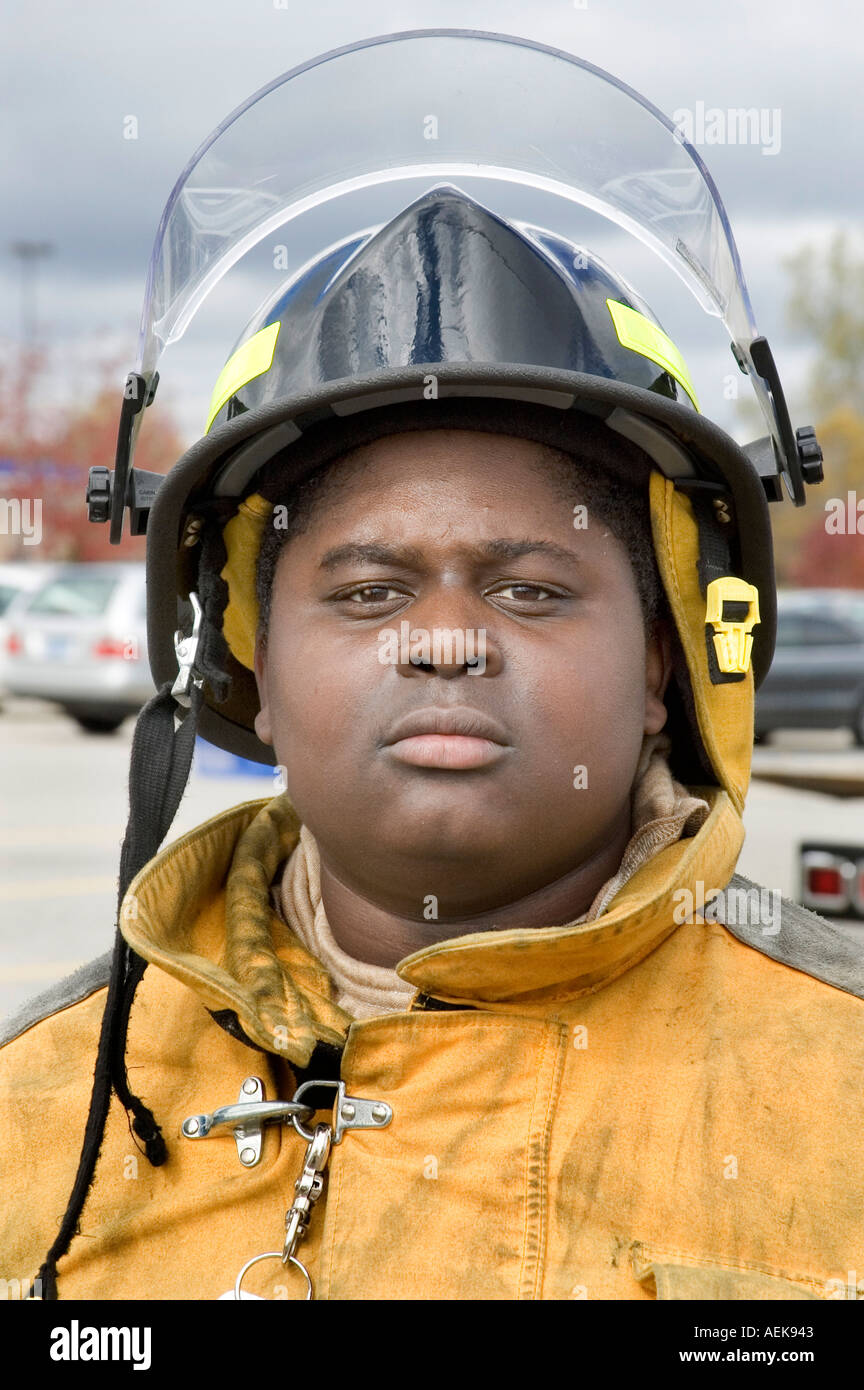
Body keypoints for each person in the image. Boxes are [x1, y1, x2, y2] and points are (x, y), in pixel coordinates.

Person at [1, 32, 856, 1303]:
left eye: (530, 587)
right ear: (250, 664)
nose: (446, 639)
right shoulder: (45, 1107)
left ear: (668, 664)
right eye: (366, 591)